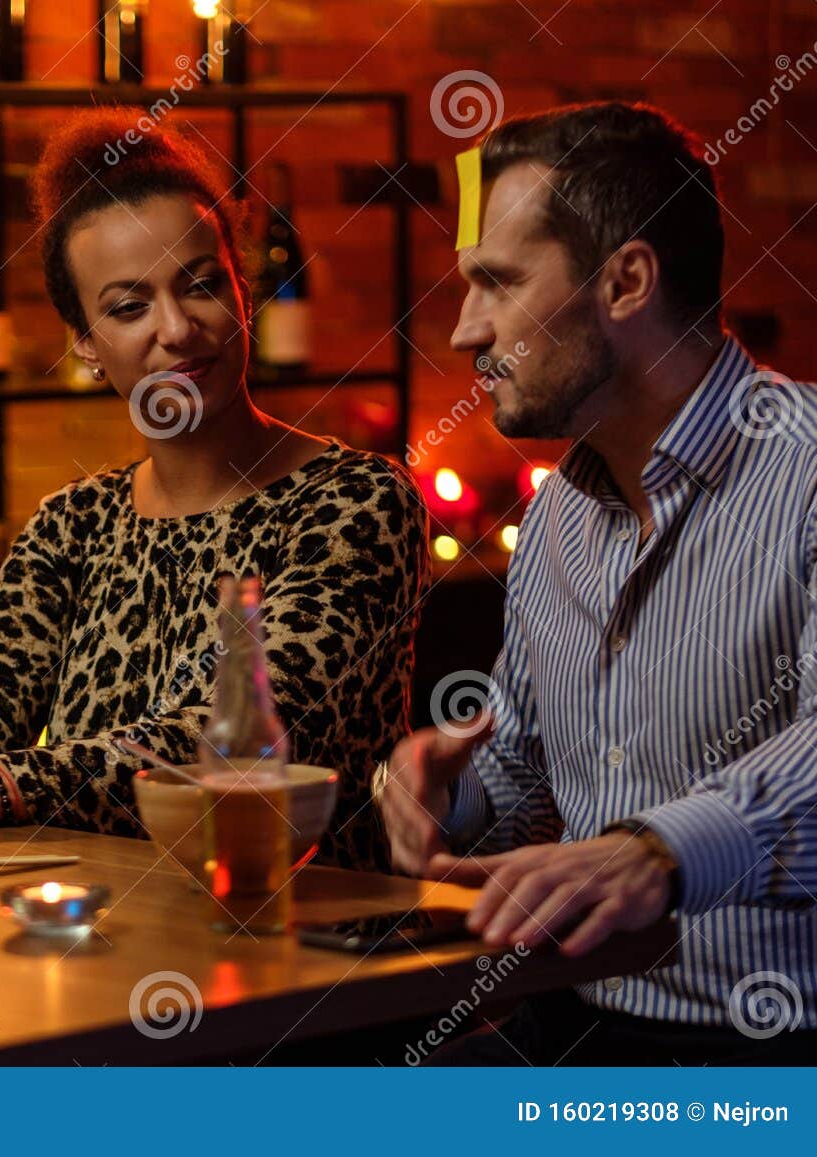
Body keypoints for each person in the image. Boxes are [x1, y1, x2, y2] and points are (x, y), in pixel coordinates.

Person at [0, 109, 429, 863]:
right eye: (129, 306)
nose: (178, 329)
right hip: (110, 932)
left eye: (201, 285)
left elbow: (244, 739)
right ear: (88, 345)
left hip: (312, 941)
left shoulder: (356, 501)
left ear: (243, 292)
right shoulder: (77, 521)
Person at [378, 101, 817, 1063]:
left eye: (496, 282)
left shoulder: (807, 468)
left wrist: (660, 853)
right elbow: (530, 774)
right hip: (573, 1024)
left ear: (626, 280)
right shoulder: (562, 510)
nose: (464, 330)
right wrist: (451, 802)